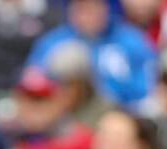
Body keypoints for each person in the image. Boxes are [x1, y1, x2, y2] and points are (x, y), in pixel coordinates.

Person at [25, 0, 159, 108]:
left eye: (93, 7)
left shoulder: (132, 40)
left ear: (106, 8)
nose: (87, 16)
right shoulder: (53, 43)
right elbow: (32, 81)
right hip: (64, 119)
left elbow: (149, 87)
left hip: (119, 116)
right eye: (81, 8)